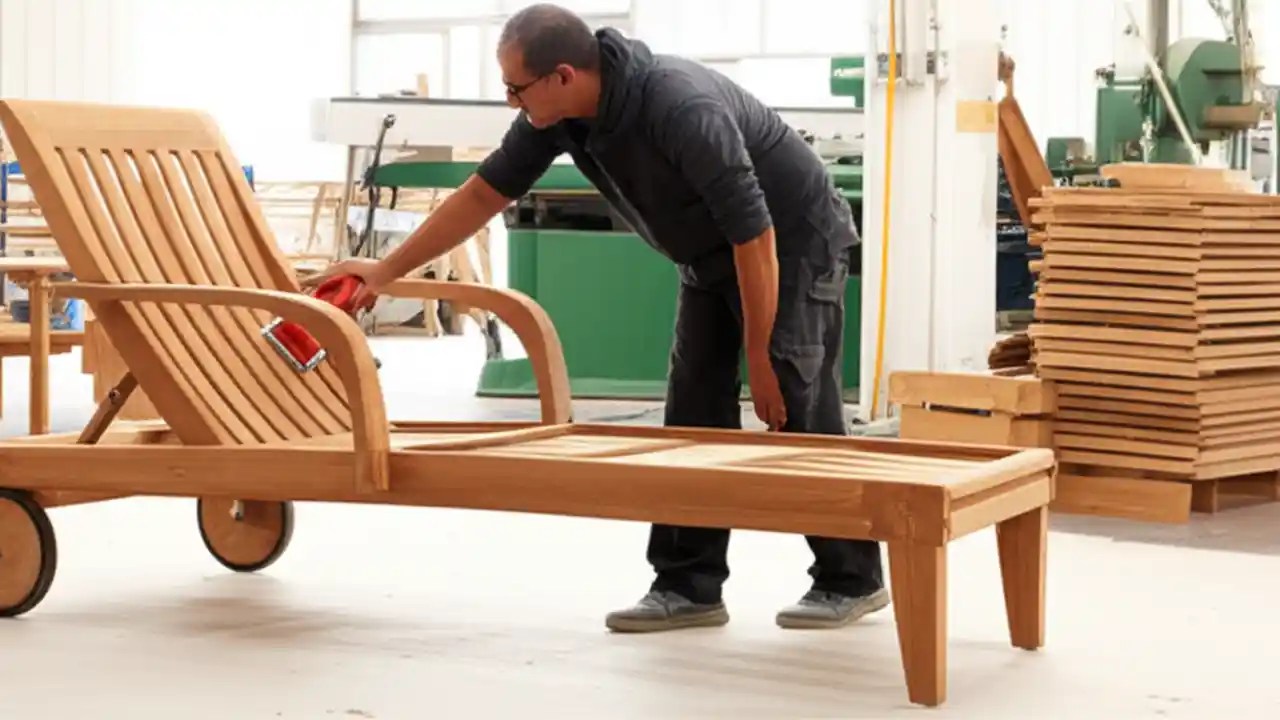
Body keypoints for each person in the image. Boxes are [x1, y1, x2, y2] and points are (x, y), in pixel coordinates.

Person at [311, 3, 887, 633]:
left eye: (515, 88)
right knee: (692, 413)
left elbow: (757, 235)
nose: (510, 102)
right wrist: (385, 271)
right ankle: (688, 585)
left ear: (563, 75)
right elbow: (484, 192)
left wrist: (759, 358)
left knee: (798, 401)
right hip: (708, 251)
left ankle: (849, 577)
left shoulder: (679, 107)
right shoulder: (555, 116)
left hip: (792, 242)